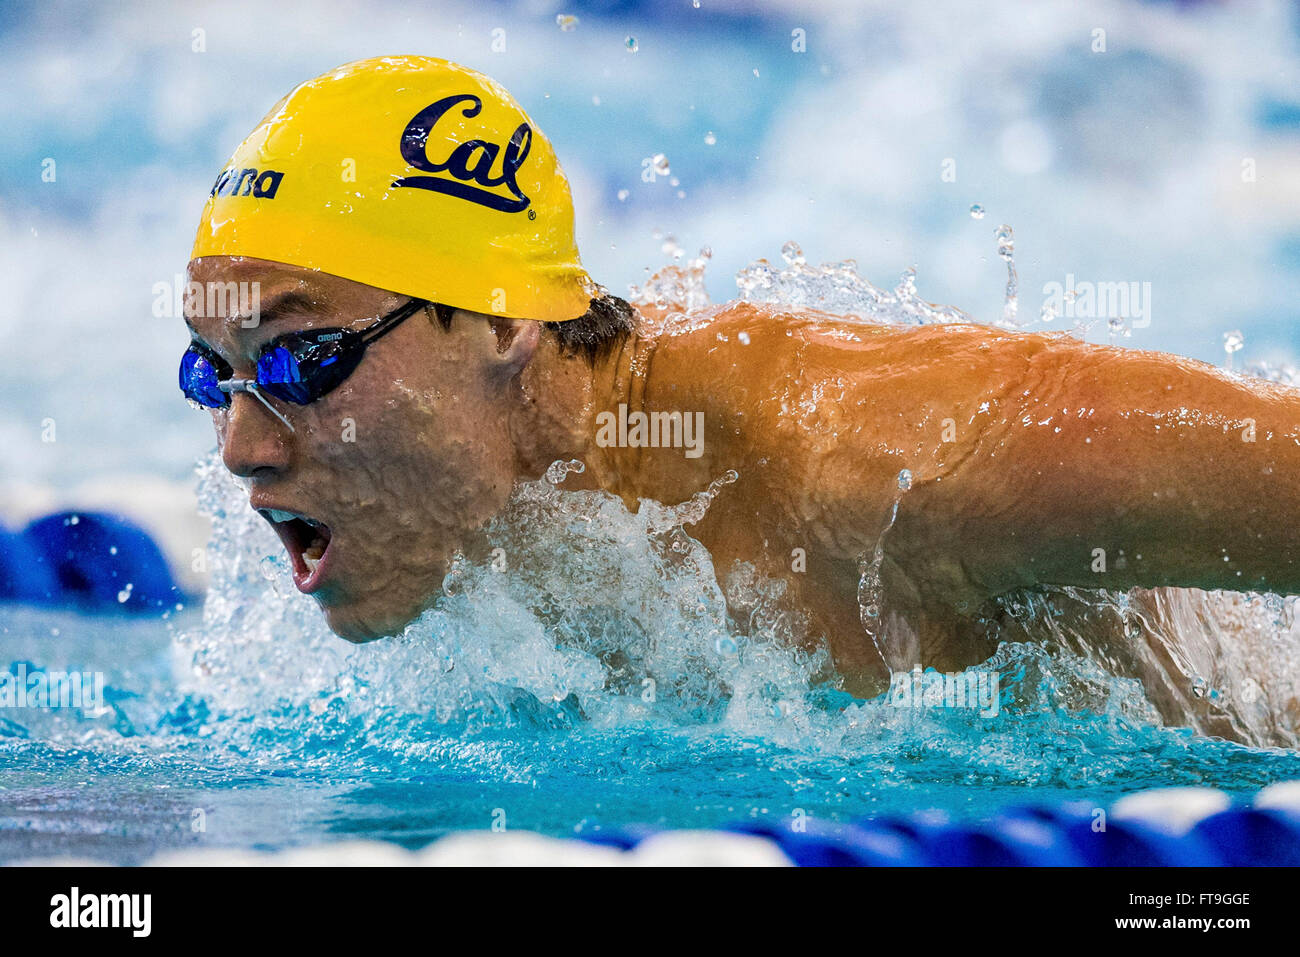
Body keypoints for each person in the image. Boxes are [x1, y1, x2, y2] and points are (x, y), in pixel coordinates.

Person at [181, 57, 1300, 733]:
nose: (243, 446)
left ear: (500, 321)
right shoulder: (497, 537)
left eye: (298, 361)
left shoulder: (879, 465)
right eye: (214, 372)